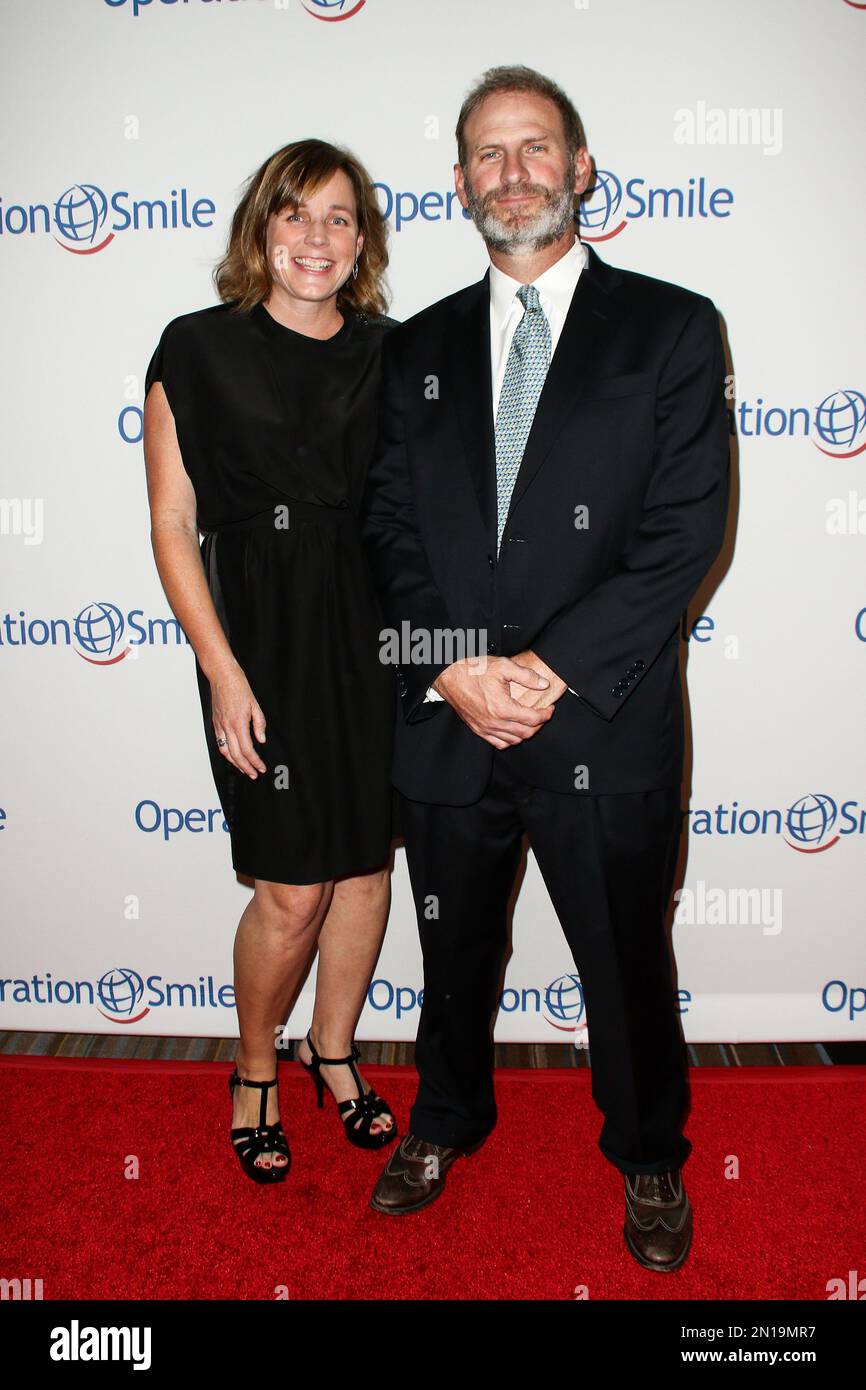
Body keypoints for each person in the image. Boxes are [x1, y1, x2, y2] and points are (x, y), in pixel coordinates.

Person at [361, 66, 730, 1269]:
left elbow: (683, 530)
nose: (510, 172)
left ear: (578, 168)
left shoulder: (670, 327)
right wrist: (456, 669)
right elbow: (385, 530)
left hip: (602, 722)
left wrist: (547, 669)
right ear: (458, 180)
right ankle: (442, 1118)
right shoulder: (411, 349)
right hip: (448, 719)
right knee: (450, 951)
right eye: (487, 151)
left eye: (533, 147)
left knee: (624, 959)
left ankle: (648, 1151)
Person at [142, 139, 400, 1185]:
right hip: (258, 643)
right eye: (295, 212)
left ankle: (331, 1051)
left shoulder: (391, 353)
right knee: (292, 888)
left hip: (374, 637)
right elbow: (172, 521)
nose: (315, 237)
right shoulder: (196, 347)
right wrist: (223, 671)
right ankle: (255, 1068)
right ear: (262, 227)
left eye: (339, 217)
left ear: (362, 242)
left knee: (367, 868)